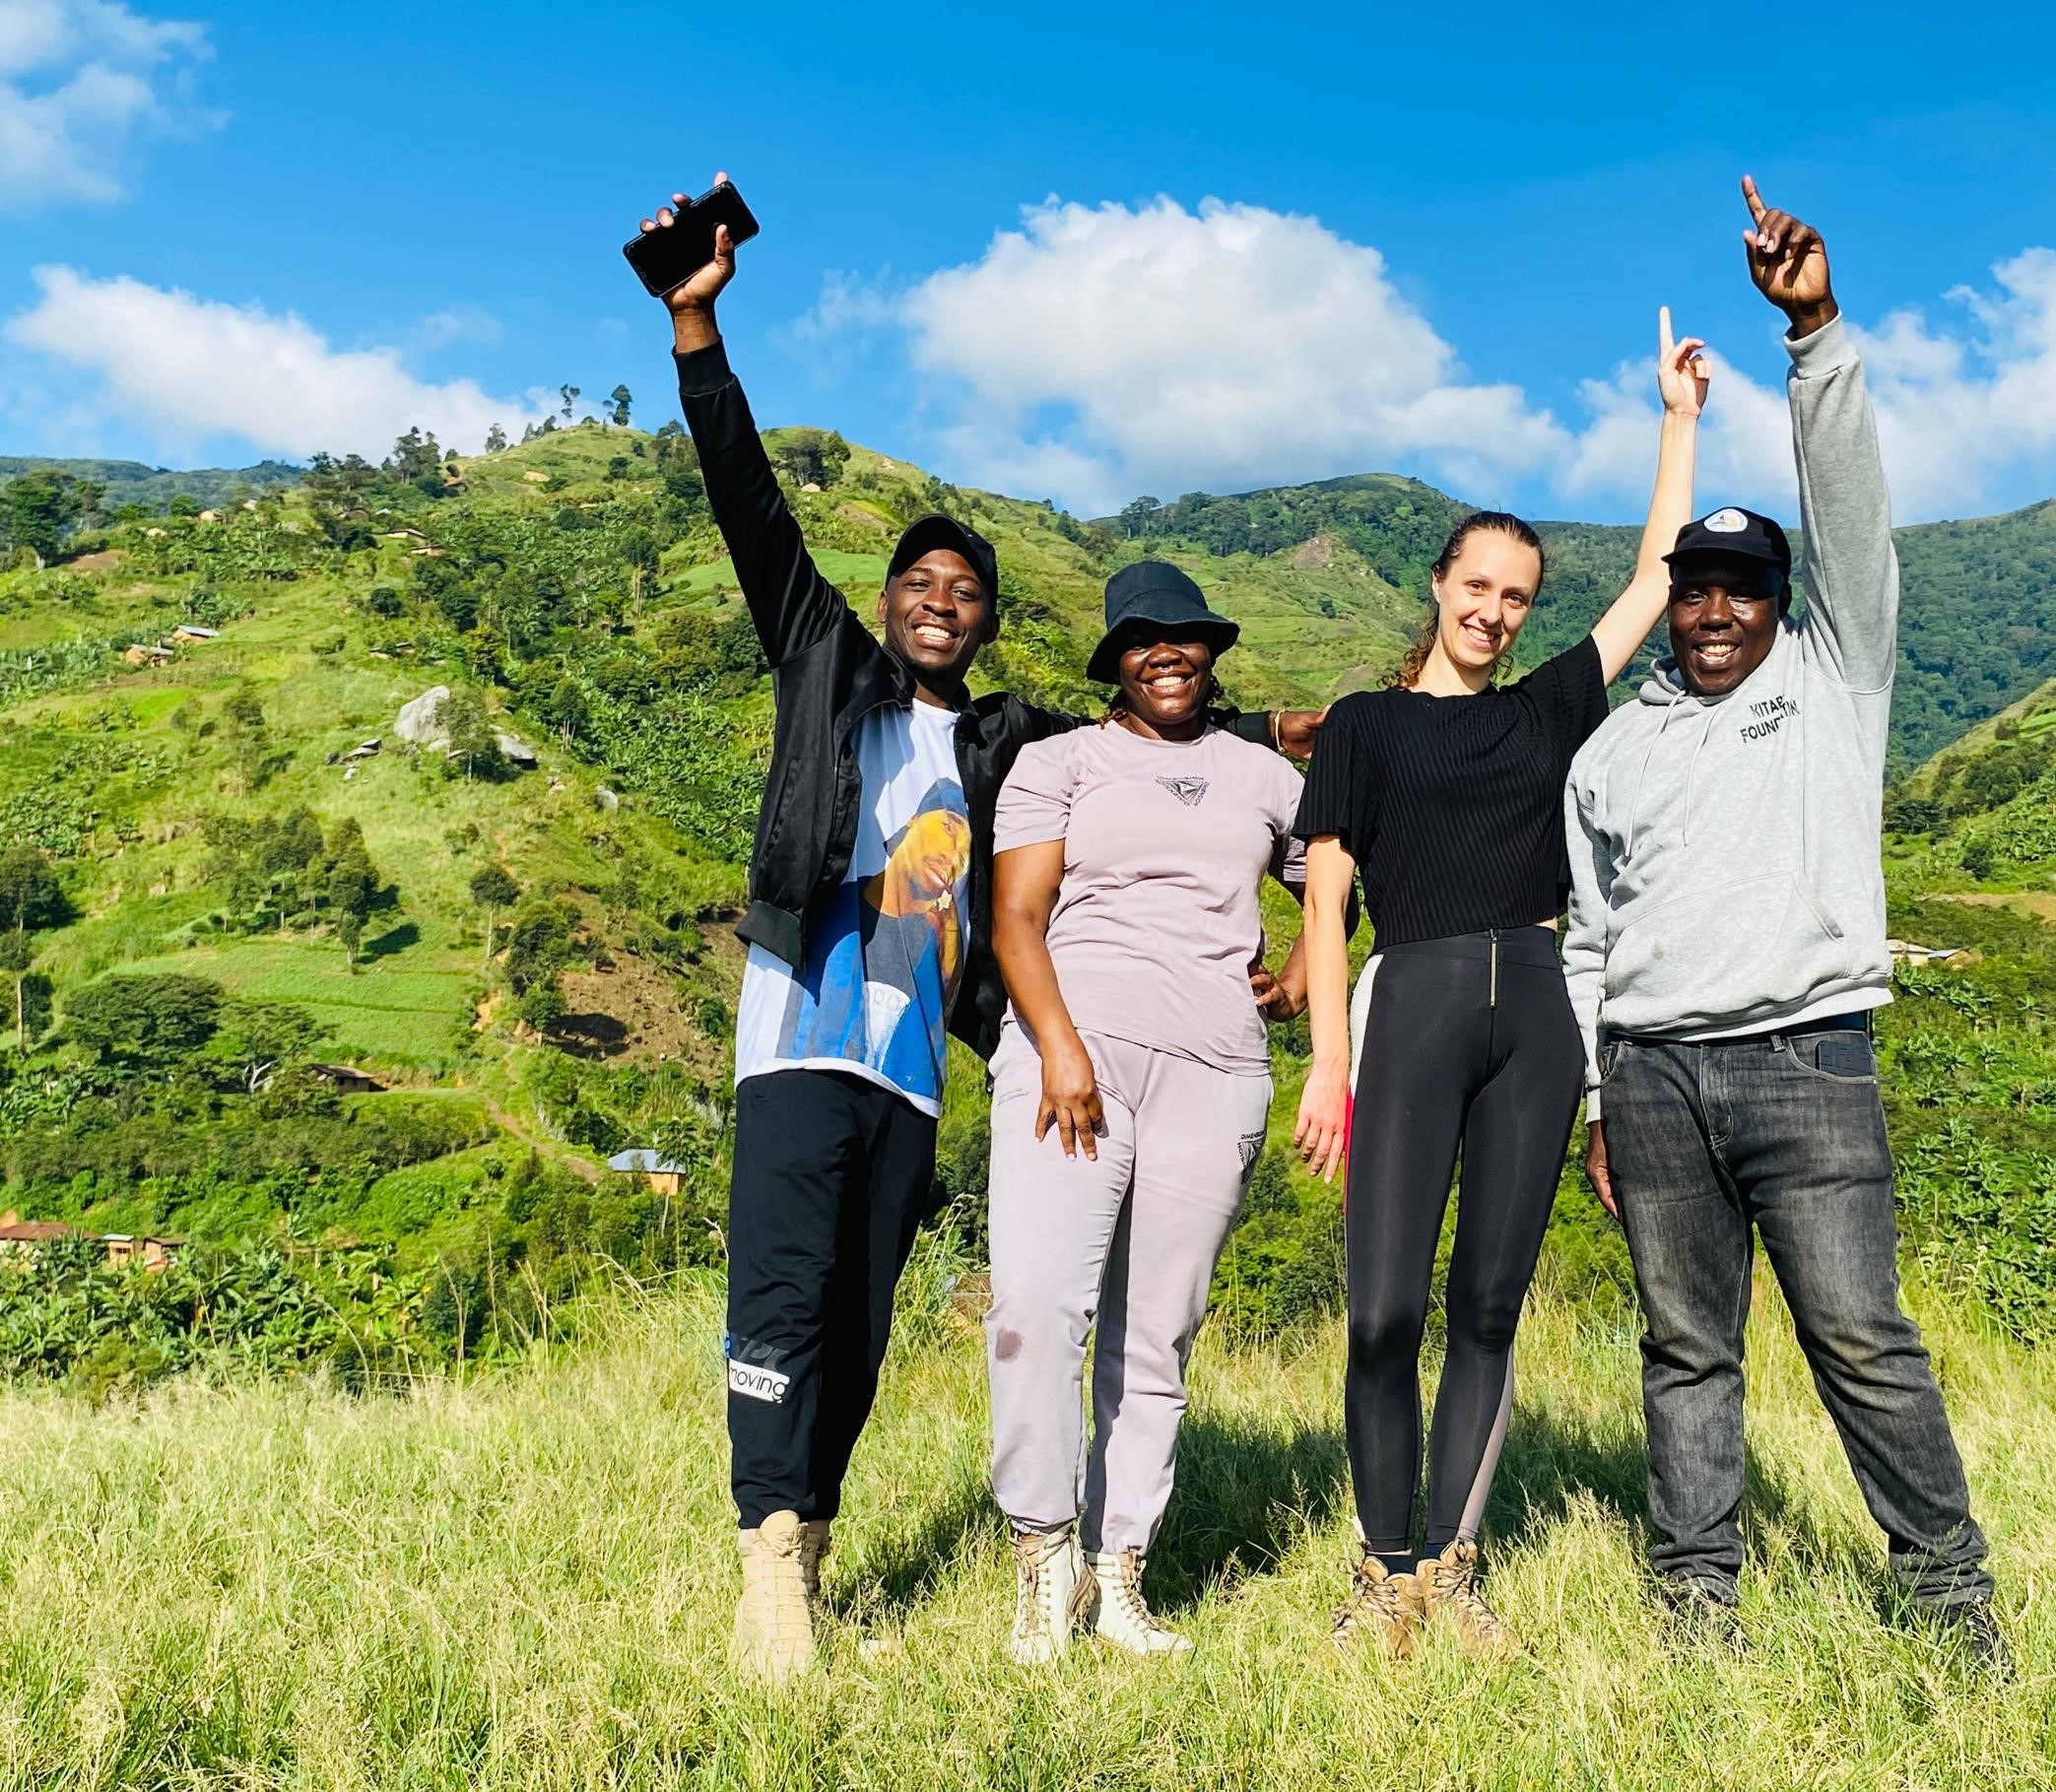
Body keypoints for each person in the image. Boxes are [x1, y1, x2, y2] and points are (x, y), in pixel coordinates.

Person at [637, 178, 1318, 1684]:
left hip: (921, 1068)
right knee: (783, 1291)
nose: (942, 601)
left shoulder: (1015, 743)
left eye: (968, 590)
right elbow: (748, 500)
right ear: (884, 604)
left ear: (990, 623)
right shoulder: (822, 659)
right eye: (921, 583)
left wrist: (1291, 724)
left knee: (866, 1319)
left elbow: (1156, 718)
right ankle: (770, 1573)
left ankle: (810, 1535)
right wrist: (697, 326)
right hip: (800, 1032)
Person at [1562, 177, 2007, 1669]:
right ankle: (1698, 1611)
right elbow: (1586, 935)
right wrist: (1592, 1097)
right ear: (1674, 598)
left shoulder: (1836, 680)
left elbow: (1850, 508)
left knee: (1861, 1342)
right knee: (1686, 1351)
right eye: (1698, 588)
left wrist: (1811, 332)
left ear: (1783, 603)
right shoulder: (1615, 745)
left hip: (1807, 1061)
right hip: (1650, 1073)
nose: (1716, 612)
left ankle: (1951, 1607)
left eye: (1747, 589)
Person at [1288, 307, 1711, 1655]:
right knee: (1381, 1309)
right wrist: (1325, 1061)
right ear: (1437, 582)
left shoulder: (1547, 708)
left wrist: (1679, 420)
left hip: (1534, 1007)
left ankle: (1449, 1572)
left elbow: (1656, 576)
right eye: (1479, 585)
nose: (1495, 609)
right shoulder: (1362, 724)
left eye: (1518, 595)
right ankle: (1381, 1563)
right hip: (1407, 1002)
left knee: (1485, 1304)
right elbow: (1328, 889)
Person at [984, 562, 1316, 1663]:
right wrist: (1062, 1053)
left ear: (1211, 651)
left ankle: (1119, 1570)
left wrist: (1310, 964)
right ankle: (1043, 1558)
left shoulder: (1264, 775)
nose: (1166, 654)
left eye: (1185, 637)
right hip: (1068, 1064)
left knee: (1155, 1331)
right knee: (1035, 1307)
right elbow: (1017, 919)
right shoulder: (1059, 761)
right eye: (1142, 640)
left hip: (1217, 1068)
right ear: (1115, 660)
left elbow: (1333, 879)